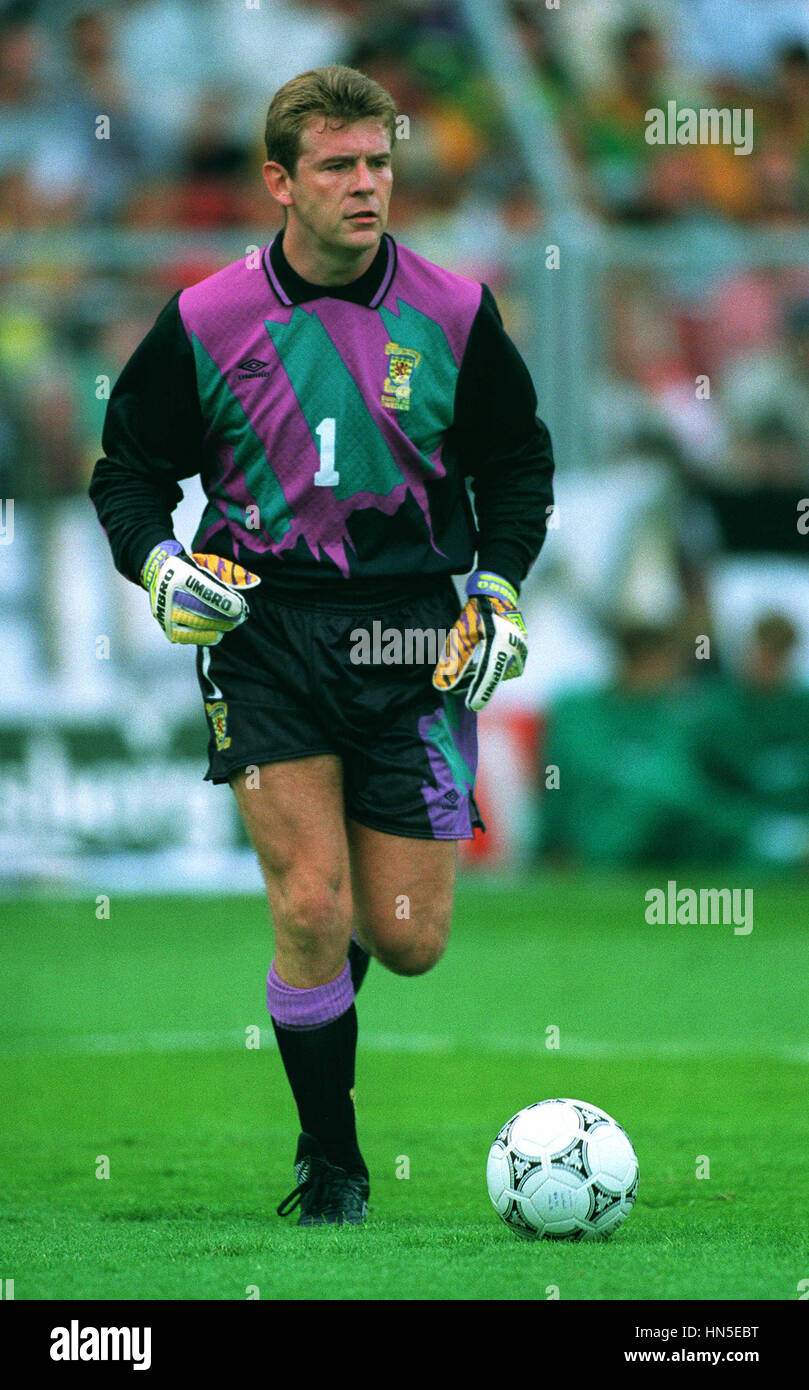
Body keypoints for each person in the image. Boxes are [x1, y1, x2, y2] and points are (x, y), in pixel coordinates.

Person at [89, 64, 554, 1226]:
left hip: (413, 637)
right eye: (338, 165)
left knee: (407, 938)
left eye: (378, 163)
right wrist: (161, 567)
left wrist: (498, 589)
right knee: (307, 904)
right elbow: (127, 472)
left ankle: (320, 998)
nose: (365, 184)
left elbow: (515, 465)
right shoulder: (207, 318)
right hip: (264, 629)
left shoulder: (455, 312)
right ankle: (332, 1165)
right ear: (279, 182)